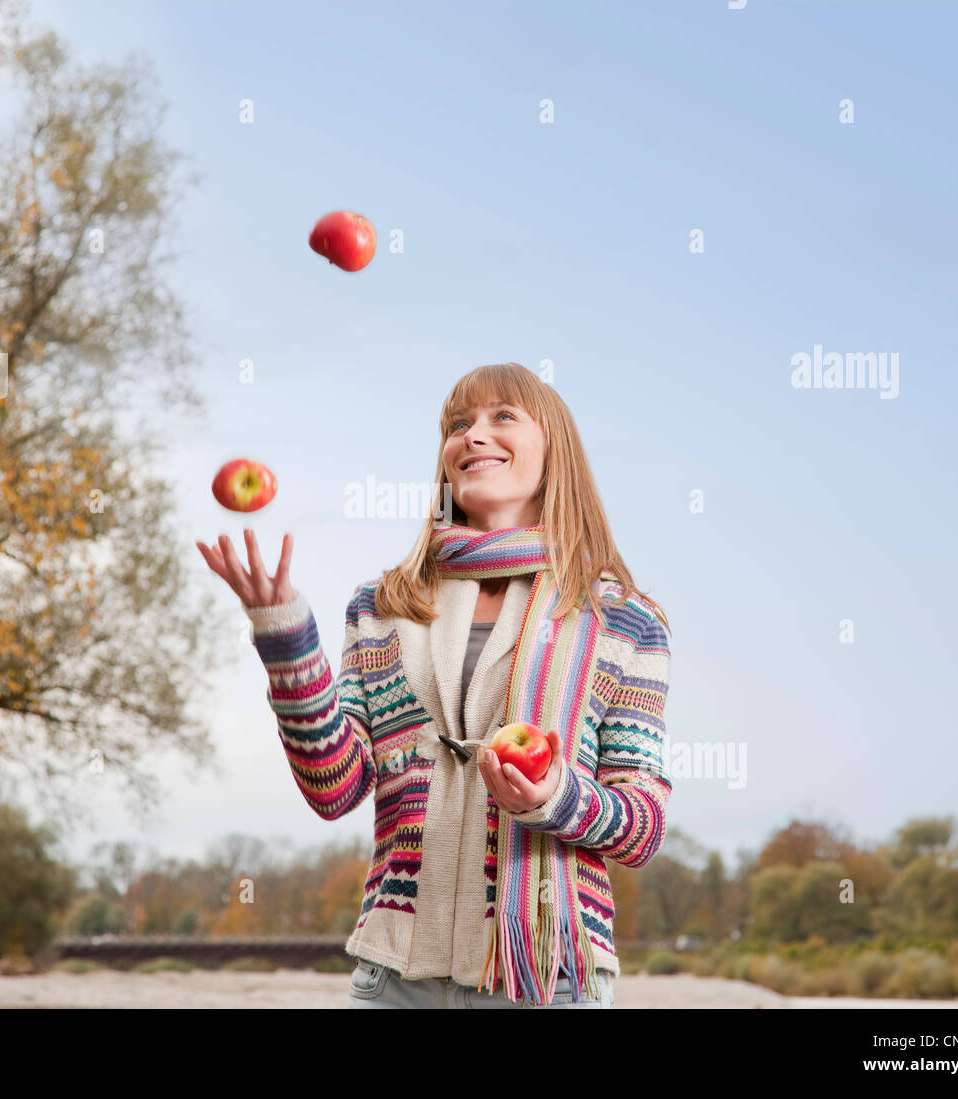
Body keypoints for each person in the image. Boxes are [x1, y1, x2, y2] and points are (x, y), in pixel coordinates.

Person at [196, 361, 672, 1008]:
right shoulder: (384, 604)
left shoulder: (621, 620)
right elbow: (336, 788)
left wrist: (553, 794)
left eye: (502, 416)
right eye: (457, 423)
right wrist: (285, 637)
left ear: (554, 449)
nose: (472, 434)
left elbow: (641, 825)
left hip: (544, 976)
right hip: (393, 975)